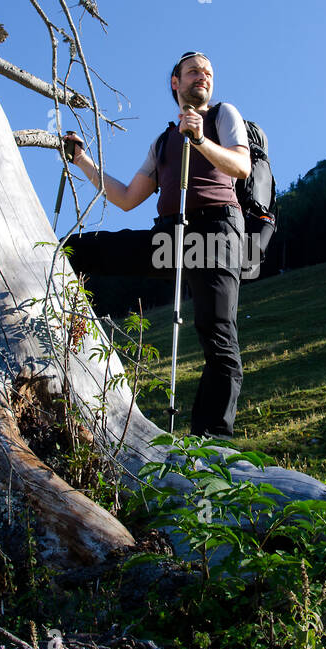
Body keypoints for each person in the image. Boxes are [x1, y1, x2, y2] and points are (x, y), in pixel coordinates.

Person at [61, 51, 250, 437]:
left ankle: (212, 440)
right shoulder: (163, 141)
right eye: (194, 71)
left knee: (217, 331)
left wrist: (200, 139)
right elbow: (127, 198)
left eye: (208, 72)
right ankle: (53, 279)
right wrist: (81, 160)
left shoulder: (223, 115)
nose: (203, 76)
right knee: (81, 249)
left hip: (216, 232)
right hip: (171, 235)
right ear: (175, 82)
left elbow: (241, 166)